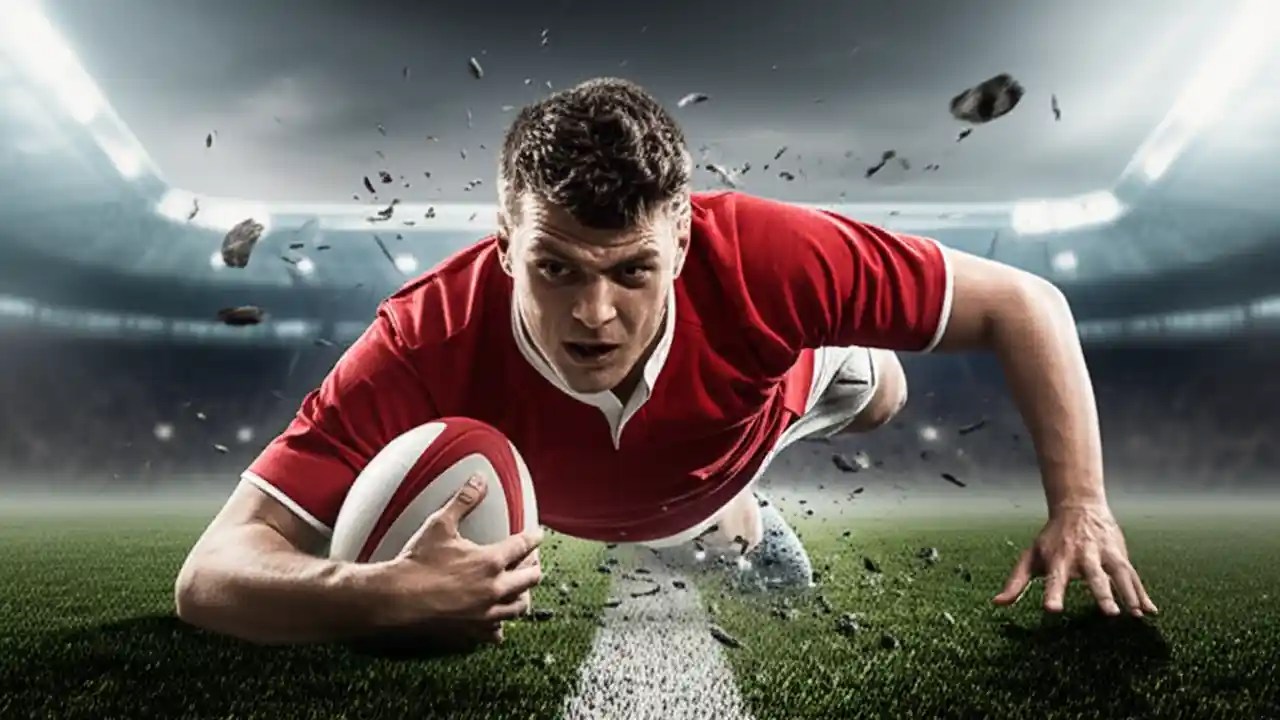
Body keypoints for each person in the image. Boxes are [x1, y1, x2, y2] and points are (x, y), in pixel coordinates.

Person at [174, 77, 1157, 648]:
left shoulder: (771, 258)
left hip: (780, 389)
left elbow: (1025, 303)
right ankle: (726, 510)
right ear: (502, 240)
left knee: (879, 396)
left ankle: (814, 378)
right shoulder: (423, 337)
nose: (593, 314)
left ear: (682, 240)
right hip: (644, 483)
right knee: (695, 510)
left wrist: (1081, 503)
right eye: (554, 267)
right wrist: (371, 595)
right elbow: (210, 575)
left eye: (631, 269)